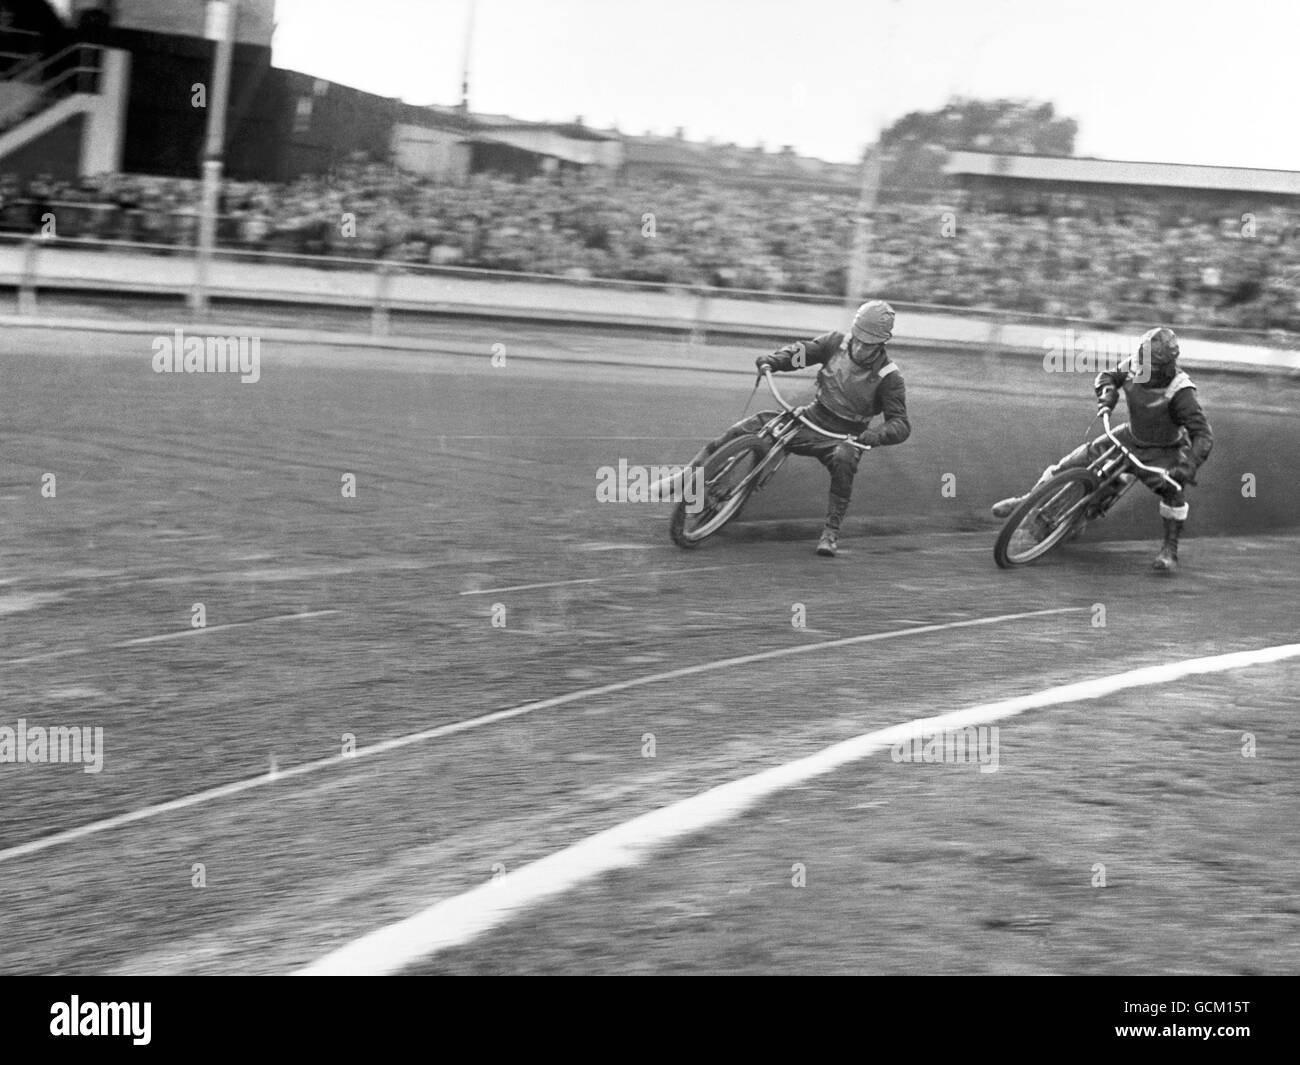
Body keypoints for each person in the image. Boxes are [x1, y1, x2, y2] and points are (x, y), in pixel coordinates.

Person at [688, 300, 911, 557]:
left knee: (844, 458)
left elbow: (901, 424)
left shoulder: (890, 377)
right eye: (858, 338)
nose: (859, 347)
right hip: (811, 416)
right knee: (753, 426)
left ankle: (830, 531)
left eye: (868, 343)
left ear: (882, 343)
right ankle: (697, 477)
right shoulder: (835, 343)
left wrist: (875, 435)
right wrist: (774, 361)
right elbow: (802, 352)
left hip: (844, 435)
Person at [991, 326, 1213, 573]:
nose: (1142, 369)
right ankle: (1027, 501)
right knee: (1072, 462)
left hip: (1163, 451)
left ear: (1166, 366)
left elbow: (1203, 435)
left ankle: (1170, 550)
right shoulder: (1136, 365)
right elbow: (1107, 376)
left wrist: (1187, 466)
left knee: (1173, 492)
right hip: (1130, 436)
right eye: (1142, 360)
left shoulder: (1182, 392)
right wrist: (1107, 395)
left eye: (1150, 365)